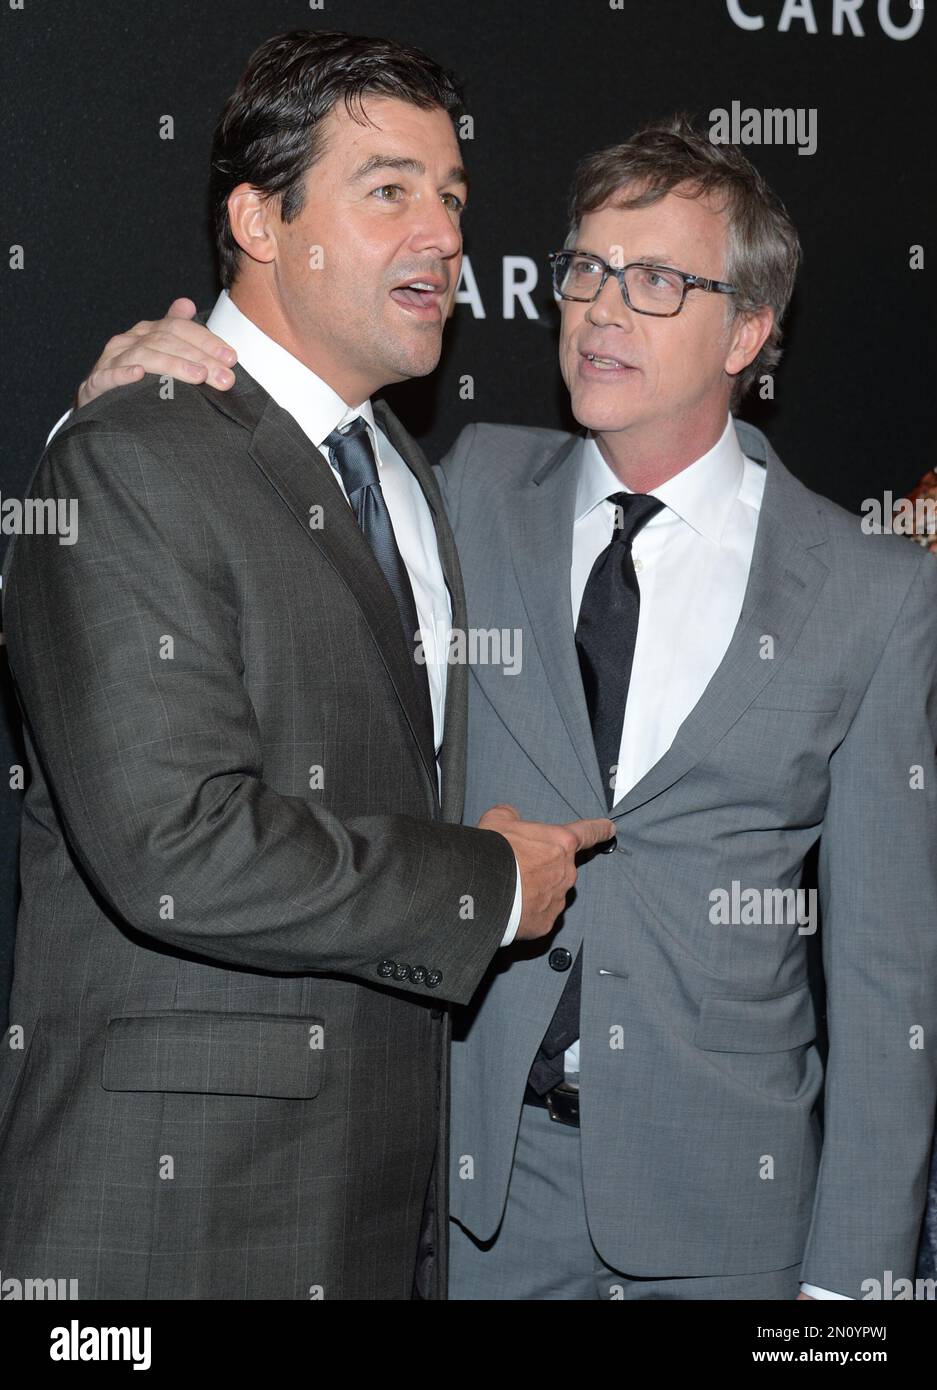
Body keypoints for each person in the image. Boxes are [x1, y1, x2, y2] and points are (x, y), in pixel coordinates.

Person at [66, 119, 937, 1300]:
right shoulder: (454, 490)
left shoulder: (870, 589)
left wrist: (854, 1292)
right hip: (471, 1202)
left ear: (748, 329)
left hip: (732, 1210)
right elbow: (244, 474)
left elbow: (890, 976)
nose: (600, 309)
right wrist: (128, 385)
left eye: (656, 282)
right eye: (583, 270)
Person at [0, 29, 612, 1302]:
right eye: (387, 190)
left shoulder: (402, 475)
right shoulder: (132, 455)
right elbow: (174, 847)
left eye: (451, 197)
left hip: (382, 1205)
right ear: (256, 219)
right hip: (187, 1215)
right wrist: (486, 885)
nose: (442, 235)